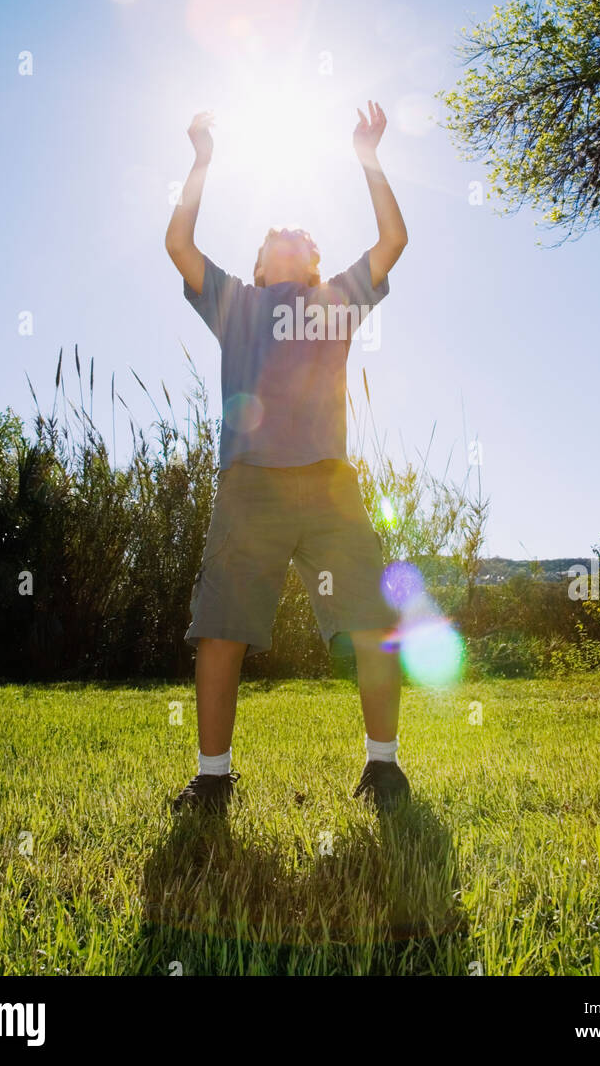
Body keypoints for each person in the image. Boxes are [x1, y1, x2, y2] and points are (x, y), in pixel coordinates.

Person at [164, 101, 409, 815]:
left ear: (313, 264)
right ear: (261, 262)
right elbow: (179, 244)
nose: (292, 238)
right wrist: (202, 160)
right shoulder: (234, 304)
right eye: (278, 236)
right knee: (222, 627)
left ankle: (384, 768)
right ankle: (213, 778)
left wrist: (369, 155)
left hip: (331, 489)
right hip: (249, 489)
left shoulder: (336, 301)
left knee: (371, 624)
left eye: (303, 236)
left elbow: (394, 239)